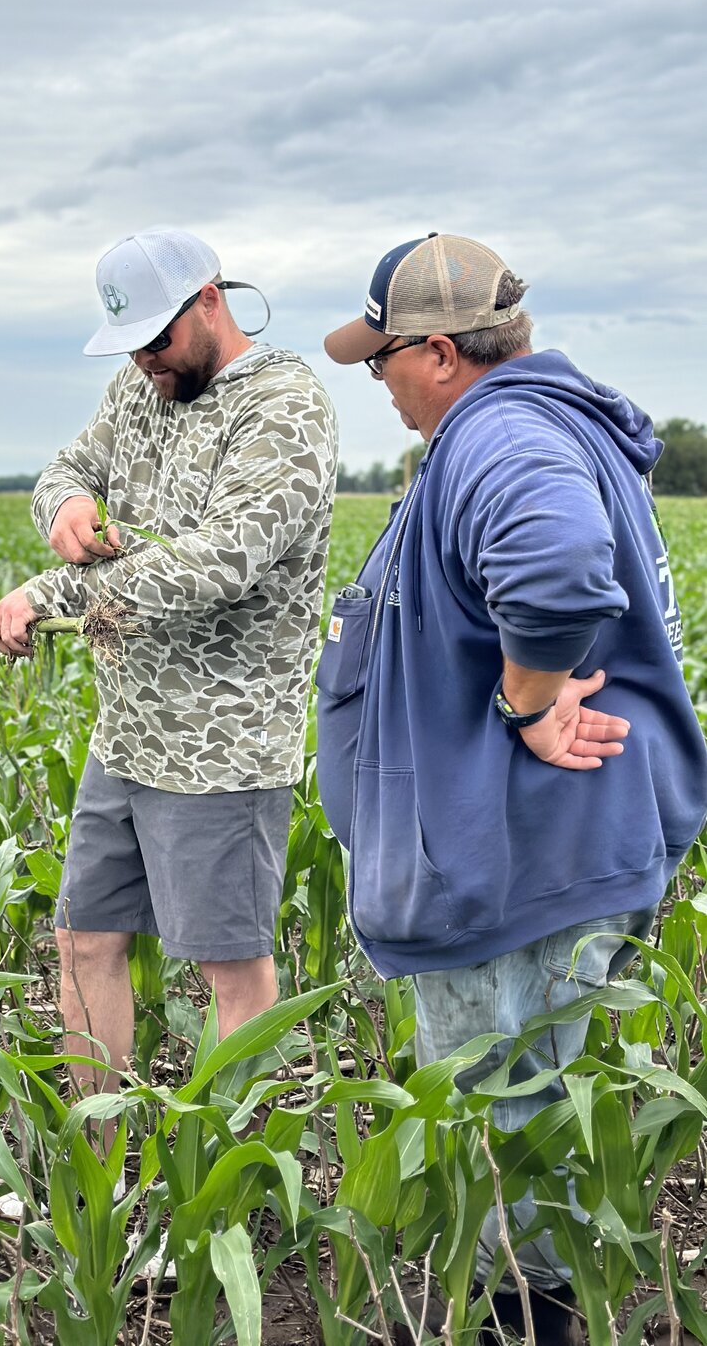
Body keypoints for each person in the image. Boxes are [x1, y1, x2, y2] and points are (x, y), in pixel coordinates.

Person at [316, 232, 707, 1344]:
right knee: (529, 1123)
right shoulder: (536, 424)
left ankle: (522, 1327)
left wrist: (528, 705)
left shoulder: (500, 434)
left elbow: (556, 566)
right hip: (541, 853)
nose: (378, 382)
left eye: (382, 360)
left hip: (516, 860)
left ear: (440, 352)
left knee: (508, 1135)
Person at [0, 226, 337, 1154]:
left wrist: (54, 593)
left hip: (222, 746)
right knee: (84, 941)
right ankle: (99, 1168)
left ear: (210, 300)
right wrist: (64, 508)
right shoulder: (139, 383)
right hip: (127, 733)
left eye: (156, 338)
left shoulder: (284, 408)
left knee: (231, 973)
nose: (144, 360)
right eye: (130, 345)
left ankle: (221, 1185)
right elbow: (69, 468)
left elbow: (218, 561)